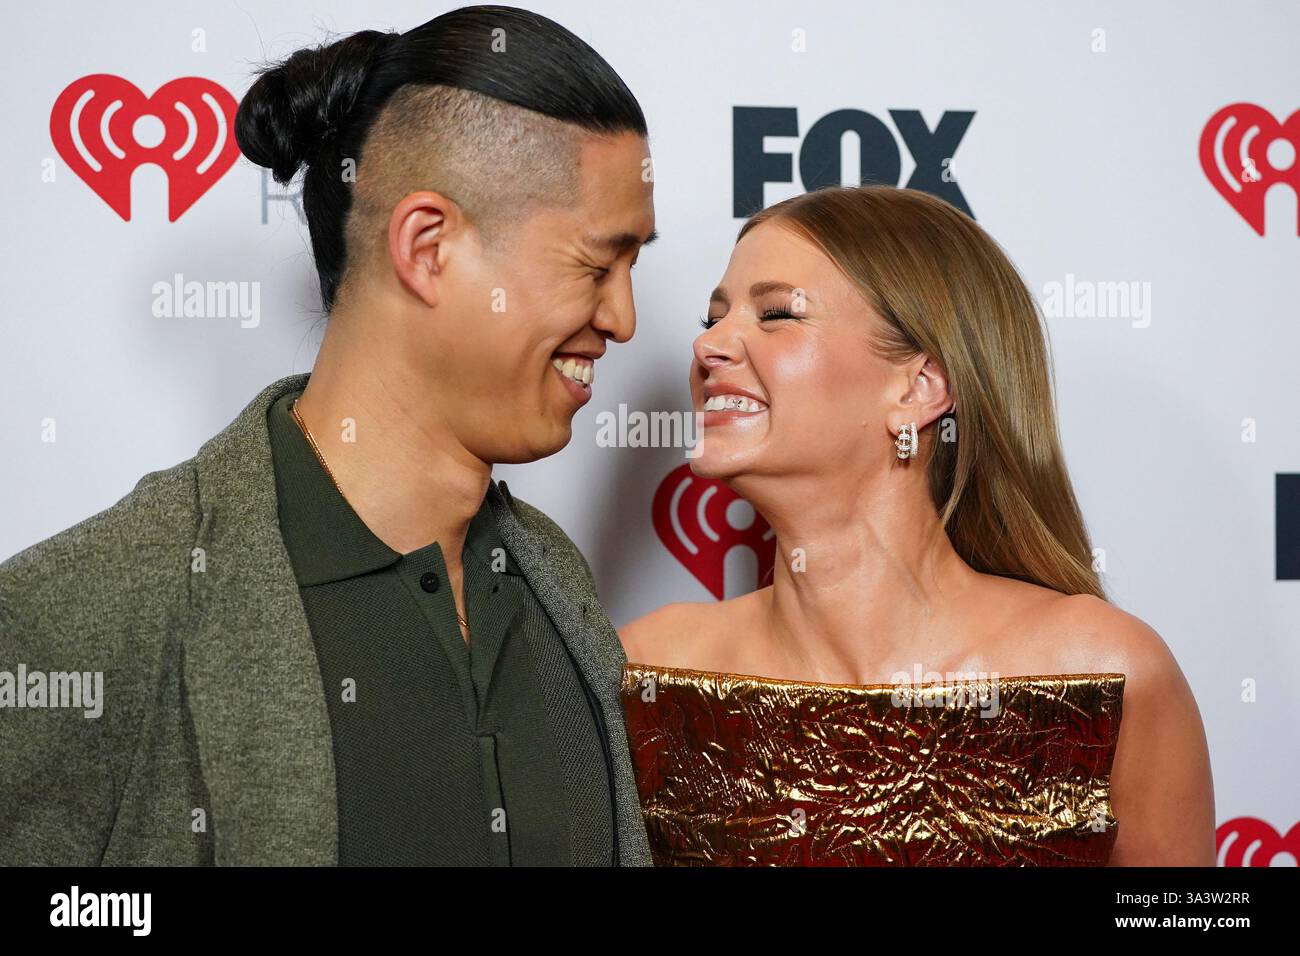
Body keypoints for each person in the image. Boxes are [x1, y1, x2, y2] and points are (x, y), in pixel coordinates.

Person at [0, 5, 656, 866]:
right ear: (427, 246)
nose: (625, 318)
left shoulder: (554, 585)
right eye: (595, 265)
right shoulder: (84, 614)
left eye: (633, 268)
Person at [619, 184, 1215, 866]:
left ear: (919, 388)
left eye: (777, 313)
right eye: (714, 316)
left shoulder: (1108, 674)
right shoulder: (651, 670)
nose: (710, 344)